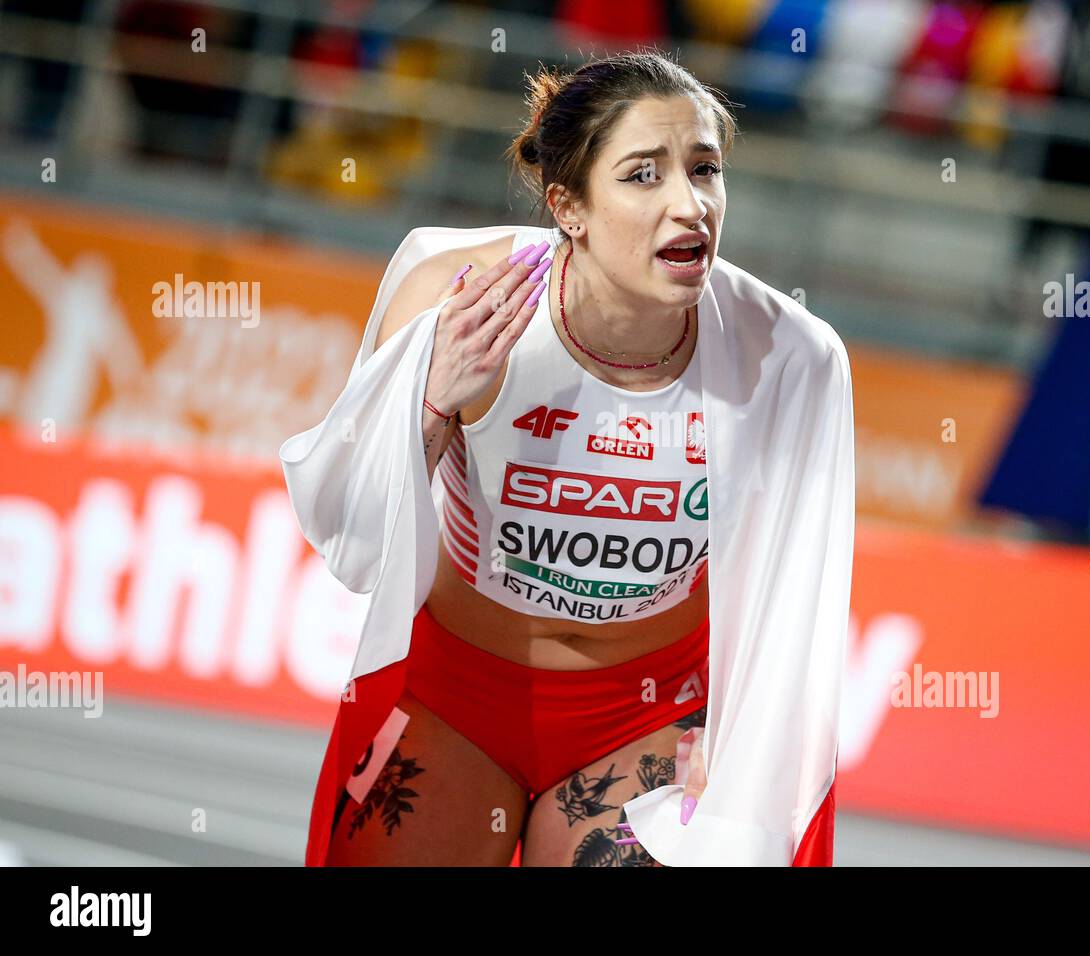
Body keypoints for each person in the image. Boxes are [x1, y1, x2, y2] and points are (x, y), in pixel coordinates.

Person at [281, 49, 855, 867]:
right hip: (453, 698)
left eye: (704, 169)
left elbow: (797, 602)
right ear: (568, 206)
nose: (690, 204)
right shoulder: (461, 299)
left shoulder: (787, 355)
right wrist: (432, 404)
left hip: (648, 715)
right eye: (643, 175)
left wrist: (742, 775)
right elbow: (352, 534)